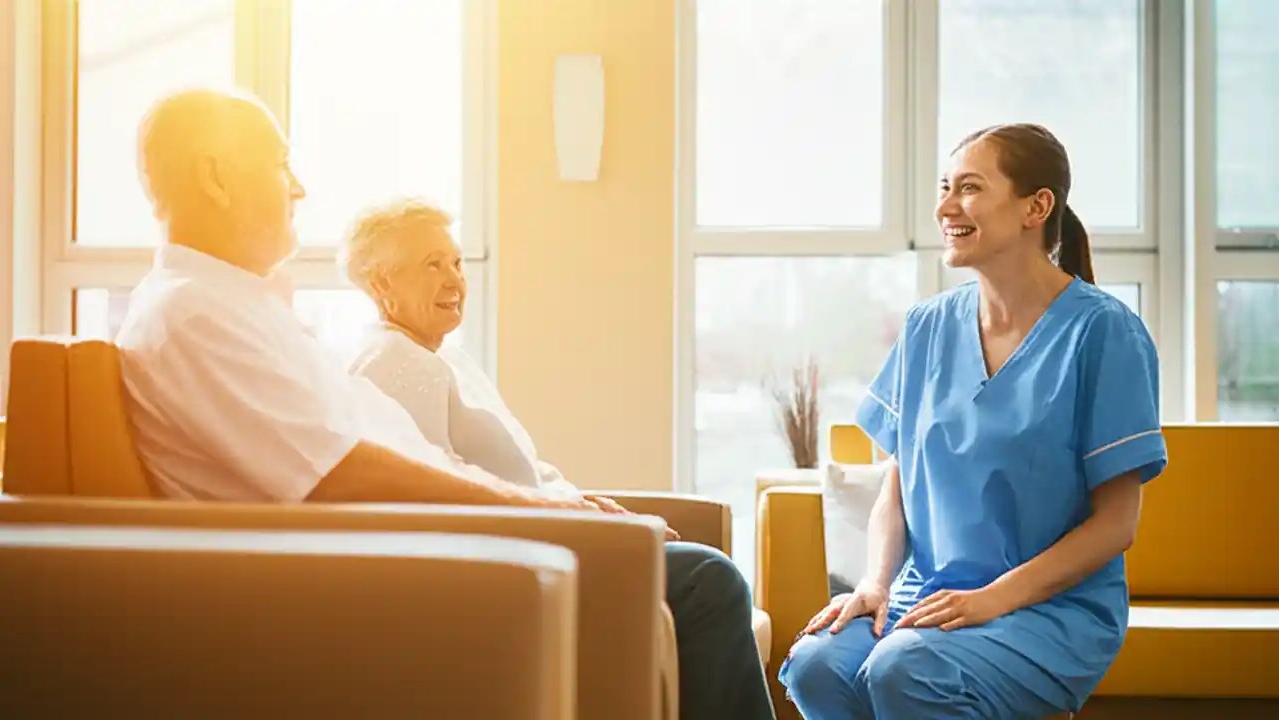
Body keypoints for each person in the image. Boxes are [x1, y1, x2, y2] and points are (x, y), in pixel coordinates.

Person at [116, 88, 775, 720]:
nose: (298, 188)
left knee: (699, 575)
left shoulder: (239, 308)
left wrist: (561, 509)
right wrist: (547, 512)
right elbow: (342, 475)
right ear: (215, 176)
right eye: (279, 163)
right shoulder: (192, 314)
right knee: (706, 584)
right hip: (377, 581)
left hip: (410, 554)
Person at [778, 124, 1167, 719]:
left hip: (1049, 612)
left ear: (1037, 206)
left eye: (969, 187)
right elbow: (896, 486)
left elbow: (1116, 525)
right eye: (944, 187)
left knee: (904, 668)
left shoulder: (1103, 332)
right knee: (816, 664)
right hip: (922, 601)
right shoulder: (926, 328)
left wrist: (991, 601)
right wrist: (875, 584)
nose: (944, 206)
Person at [338, 198, 776, 720]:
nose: (454, 280)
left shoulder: (444, 357)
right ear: (381, 283)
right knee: (711, 579)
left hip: (551, 532)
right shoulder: (391, 364)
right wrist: (577, 520)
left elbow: (524, 467)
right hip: (515, 558)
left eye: (456, 262)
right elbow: (437, 494)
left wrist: (581, 501)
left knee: (707, 574)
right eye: (432, 264)